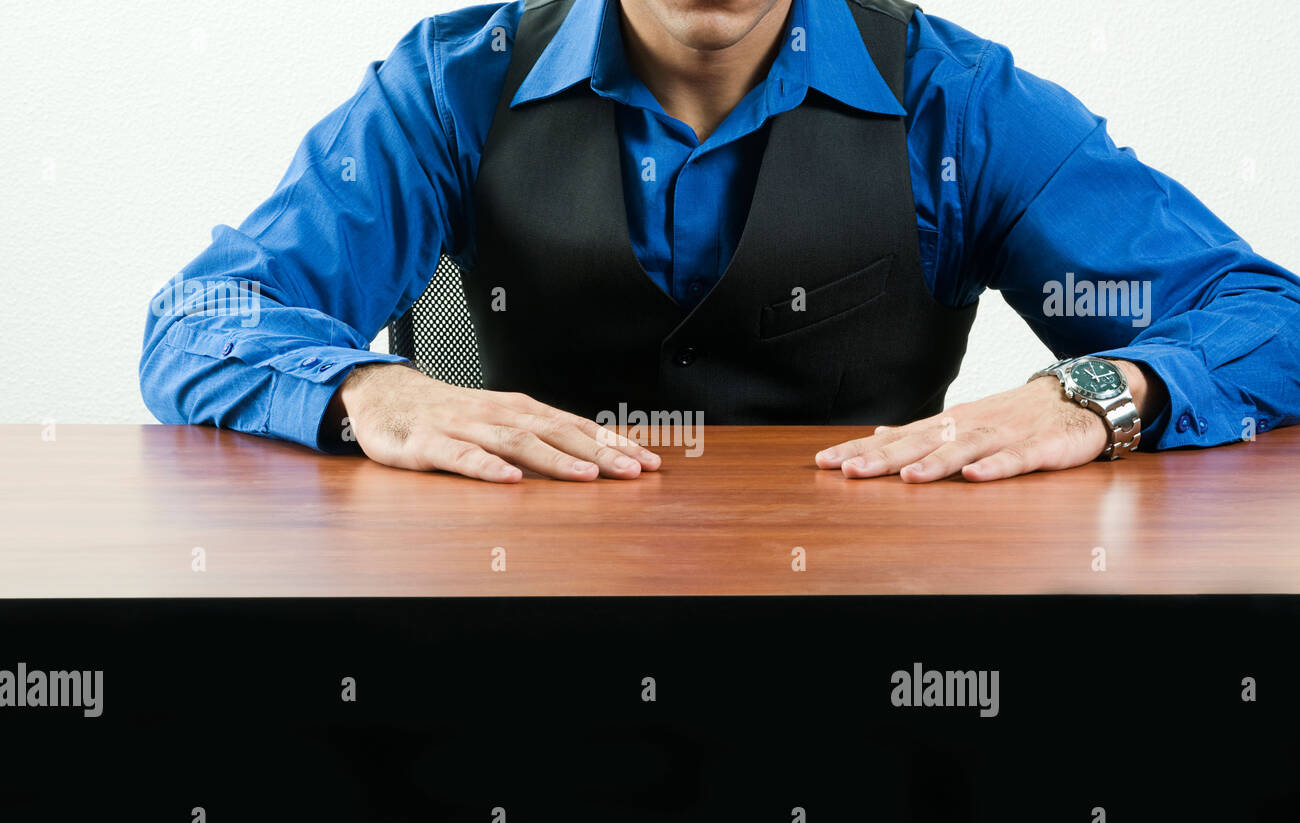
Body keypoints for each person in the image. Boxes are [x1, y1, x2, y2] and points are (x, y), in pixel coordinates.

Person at [140, 0, 1300, 483]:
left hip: (875, 664)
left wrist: (1102, 388)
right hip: (516, 649)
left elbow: (1266, 314)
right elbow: (199, 316)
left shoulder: (959, 106)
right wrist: (365, 388)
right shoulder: (453, 85)